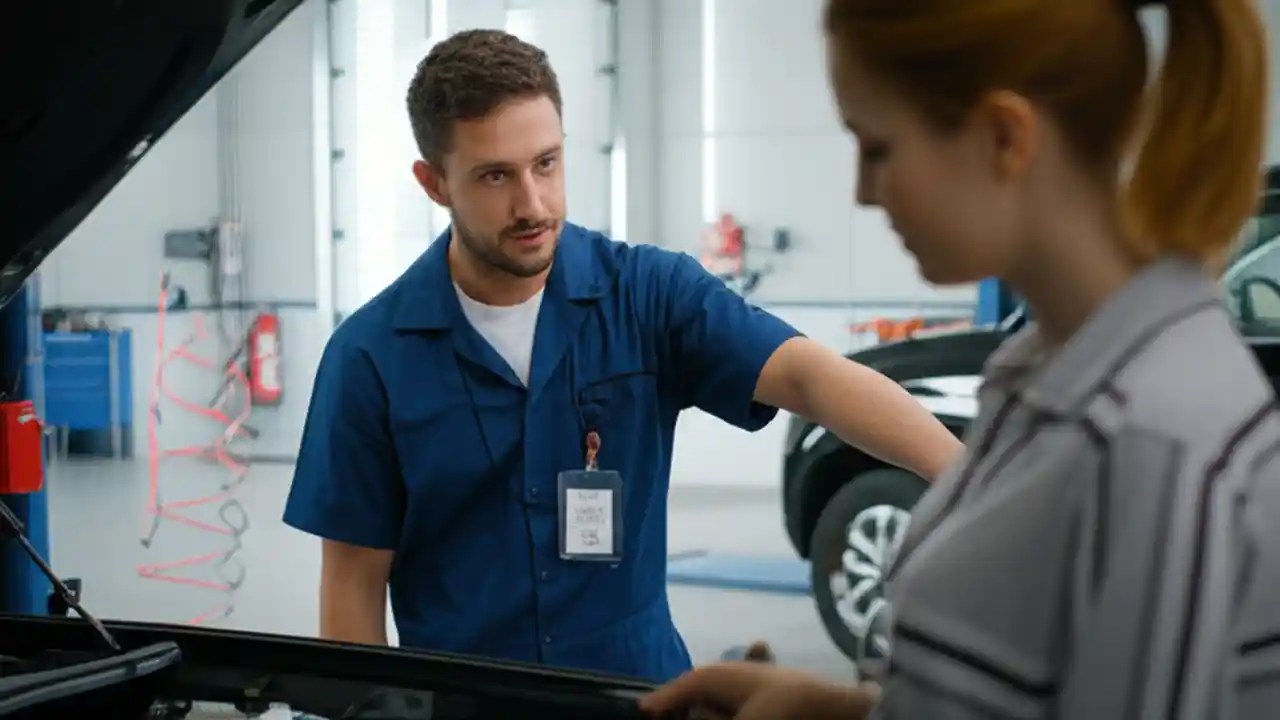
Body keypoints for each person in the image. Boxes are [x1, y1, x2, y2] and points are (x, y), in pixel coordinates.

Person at [640, 0, 1280, 718]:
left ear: (1005, 137)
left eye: (878, 148)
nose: (862, 191)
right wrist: (839, 711)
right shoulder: (1041, 371)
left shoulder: (1151, 442)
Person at [281, 28, 963, 683]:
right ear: (434, 183)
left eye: (546, 163)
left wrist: (971, 480)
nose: (533, 203)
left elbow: (810, 377)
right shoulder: (370, 358)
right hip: (467, 704)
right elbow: (352, 586)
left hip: (639, 695)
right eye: (495, 177)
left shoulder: (647, 294)